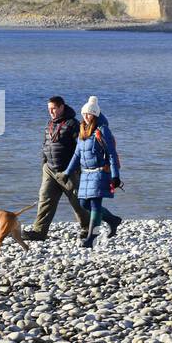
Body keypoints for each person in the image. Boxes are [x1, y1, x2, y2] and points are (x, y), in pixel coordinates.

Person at [23, 96, 89, 241]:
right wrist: (43, 164)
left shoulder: (73, 124)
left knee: (78, 201)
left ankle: (87, 228)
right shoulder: (49, 124)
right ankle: (39, 232)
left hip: (68, 170)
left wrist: (77, 168)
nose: (51, 112)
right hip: (49, 169)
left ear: (62, 107)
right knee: (45, 199)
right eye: (49, 109)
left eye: (54, 108)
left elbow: (81, 148)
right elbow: (45, 145)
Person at [64, 96, 123, 248]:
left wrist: (115, 176)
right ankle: (112, 219)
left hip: (100, 173)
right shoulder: (82, 130)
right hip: (86, 174)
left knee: (95, 205)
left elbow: (111, 154)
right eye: (84, 113)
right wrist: (67, 172)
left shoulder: (103, 130)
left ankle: (92, 237)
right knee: (84, 204)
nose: (86, 116)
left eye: (89, 114)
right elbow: (77, 154)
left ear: (95, 114)